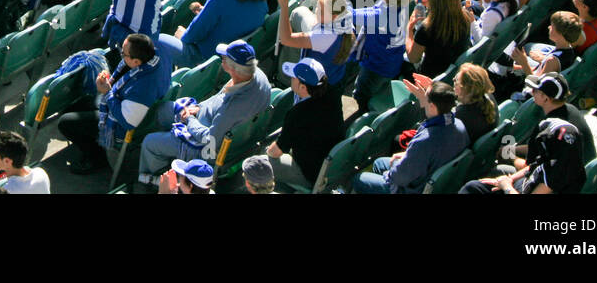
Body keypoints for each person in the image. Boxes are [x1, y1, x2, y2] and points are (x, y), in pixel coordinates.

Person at [136, 41, 272, 187]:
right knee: (163, 110)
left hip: (206, 148)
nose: (222, 58)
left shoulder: (233, 108)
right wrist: (199, 108)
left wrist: (189, 119)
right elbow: (222, 98)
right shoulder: (257, 75)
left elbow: (209, 140)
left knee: (150, 142)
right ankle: (168, 157)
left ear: (234, 69)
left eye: (225, 58)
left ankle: (157, 183)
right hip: (210, 122)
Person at [57, 32, 173, 175]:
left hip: (122, 124)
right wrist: (109, 82)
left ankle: (97, 157)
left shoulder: (143, 87)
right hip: (126, 103)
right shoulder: (157, 54)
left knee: (65, 123)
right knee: (72, 106)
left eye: (124, 54)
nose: (121, 55)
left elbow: (127, 121)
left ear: (136, 62)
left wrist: (107, 92)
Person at [352, 80, 467, 193]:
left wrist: (397, 165)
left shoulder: (426, 140)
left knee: (358, 179)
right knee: (379, 163)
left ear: (432, 106)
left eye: (425, 95)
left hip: (416, 188)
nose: (422, 97)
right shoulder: (460, 125)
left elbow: (399, 178)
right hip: (430, 174)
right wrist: (406, 156)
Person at [158, 0, 267, 68]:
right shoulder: (262, 3)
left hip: (202, 57)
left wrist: (182, 35)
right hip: (229, 61)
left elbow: (193, 34)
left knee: (158, 40)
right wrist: (205, 12)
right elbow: (232, 23)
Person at [265, 57, 346, 190]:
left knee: (260, 162)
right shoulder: (333, 95)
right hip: (332, 166)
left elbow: (277, 152)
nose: (291, 78)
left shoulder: (297, 113)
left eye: (293, 77)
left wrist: (267, 150)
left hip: (310, 175)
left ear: (302, 87)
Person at [459, 118, 587, 194]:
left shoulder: (559, 175)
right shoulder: (557, 157)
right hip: (518, 185)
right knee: (473, 187)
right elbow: (532, 167)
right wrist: (509, 179)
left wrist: (507, 187)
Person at [408, 0, 472, 77]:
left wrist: (409, 30)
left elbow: (413, 58)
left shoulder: (426, 29)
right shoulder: (466, 17)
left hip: (429, 81)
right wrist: (430, 4)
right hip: (453, 76)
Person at [454, 63, 498, 144]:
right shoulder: (490, 98)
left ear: (465, 89)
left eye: (456, 82)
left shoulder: (461, 114)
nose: (454, 81)